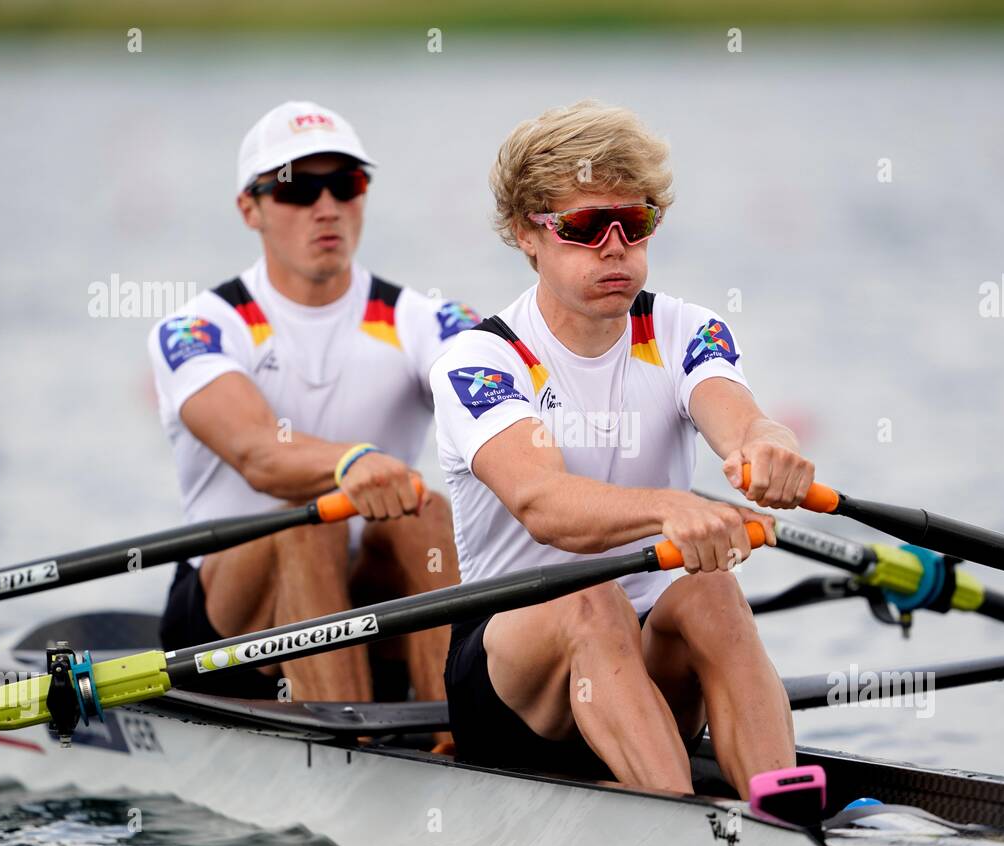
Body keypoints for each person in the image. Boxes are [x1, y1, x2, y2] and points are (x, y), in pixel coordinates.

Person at [428, 101, 814, 797]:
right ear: (526, 234)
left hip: (649, 662)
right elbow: (543, 505)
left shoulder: (685, 330)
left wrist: (771, 449)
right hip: (516, 683)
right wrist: (671, 507)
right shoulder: (481, 360)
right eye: (584, 227)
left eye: (634, 224)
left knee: (712, 590)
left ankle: (783, 811)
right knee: (593, 601)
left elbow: (744, 422)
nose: (614, 247)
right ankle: (676, 823)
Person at [149, 101, 477, 705]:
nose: (326, 208)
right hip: (229, 621)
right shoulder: (199, 327)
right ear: (249, 208)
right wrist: (350, 462)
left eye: (345, 185)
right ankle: (345, 731)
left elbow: (502, 409)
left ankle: (454, 741)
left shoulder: (425, 320)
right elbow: (256, 453)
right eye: (296, 188)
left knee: (424, 511)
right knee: (314, 515)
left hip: (367, 603)